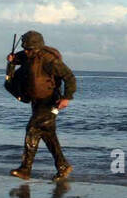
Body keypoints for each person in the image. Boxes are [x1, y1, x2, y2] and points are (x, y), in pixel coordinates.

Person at [5, 30, 76, 181]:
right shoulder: (27, 55)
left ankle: (25, 169)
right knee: (47, 134)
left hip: (52, 102)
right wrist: (12, 59)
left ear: (37, 47)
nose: (25, 51)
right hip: (37, 102)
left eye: (29, 49)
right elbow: (17, 58)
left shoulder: (50, 60)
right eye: (25, 48)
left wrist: (67, 97)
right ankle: (63, 166)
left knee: (32, 128)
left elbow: (69, 77)